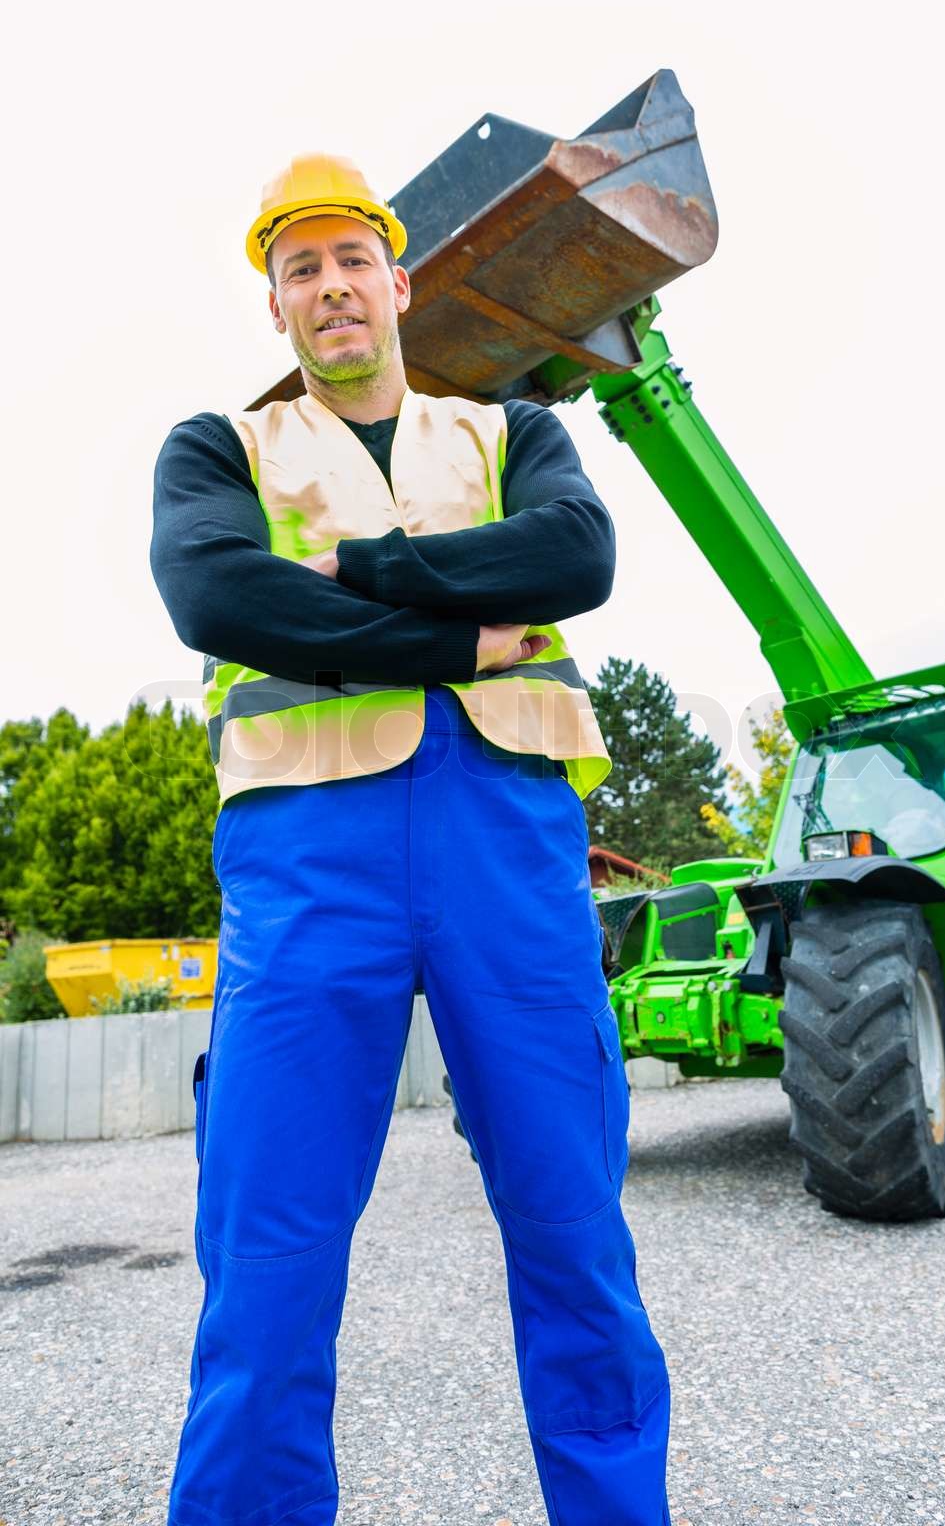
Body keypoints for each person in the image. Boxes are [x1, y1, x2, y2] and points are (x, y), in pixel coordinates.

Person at [150, 153, 672, 1526]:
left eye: (349, 260)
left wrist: (362, 575)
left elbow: (575, 561)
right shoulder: (220, 450)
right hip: (309, 861)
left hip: (506, 847)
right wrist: (456, 635)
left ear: (402, 279)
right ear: (276, 307)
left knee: (575, 1234)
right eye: (298, 268)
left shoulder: (507, 438)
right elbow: (219, 596)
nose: (330, 288)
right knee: (267, 1257)